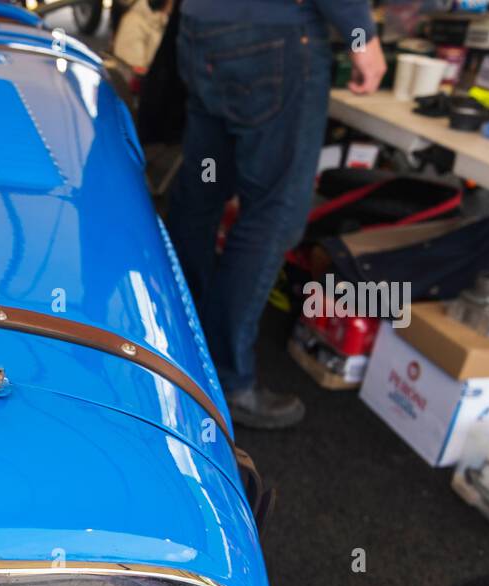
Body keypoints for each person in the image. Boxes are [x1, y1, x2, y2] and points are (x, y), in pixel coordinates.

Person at [165, 0, 386, 428]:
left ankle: (172, 347)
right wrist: (361, 36)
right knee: (272, 212)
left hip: (201, 29)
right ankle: (227, 380)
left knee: (201, 196)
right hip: (273, 38)